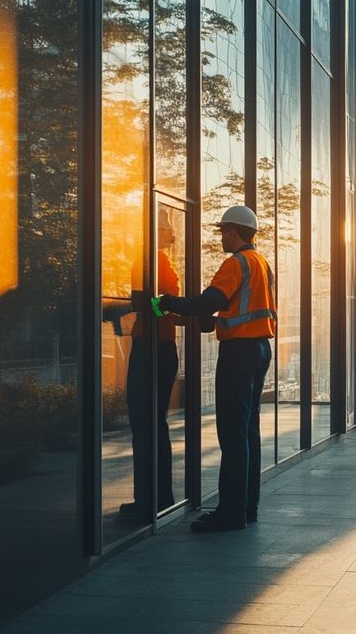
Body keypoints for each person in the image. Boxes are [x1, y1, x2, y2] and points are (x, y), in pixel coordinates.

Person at [154, 205, 275, 532]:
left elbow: (209, 301)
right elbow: (226, 310)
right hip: (261, 348)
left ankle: (230, 512)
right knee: (249, 431)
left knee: (232, 434)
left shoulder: (235, 263)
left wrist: (167, 302)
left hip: (239, 351)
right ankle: (247, 507)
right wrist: (199, 319)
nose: (221, 236)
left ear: (234, 232)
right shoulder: (261, 263)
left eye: (223, 231)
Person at [106, 210, 181, 518]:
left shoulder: (149, 262)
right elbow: (159, 303)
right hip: (161, 349)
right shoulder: (163, 263)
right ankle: (159, 497)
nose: (169, 231)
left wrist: (111, 308)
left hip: (151, 349)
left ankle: (148, 501)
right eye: (163, 226)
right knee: (154, 426)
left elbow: (151, 304)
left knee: (144, 425)